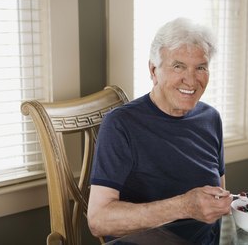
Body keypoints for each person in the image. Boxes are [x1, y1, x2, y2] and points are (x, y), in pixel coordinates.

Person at [87, 17, 233, 244]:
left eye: (201, 67)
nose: (191, 80)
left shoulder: (211, 118)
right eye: (178, 66)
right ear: (154, 70)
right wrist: (184, 206)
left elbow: (219, 200)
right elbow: (98, 221)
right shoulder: (120, 124)